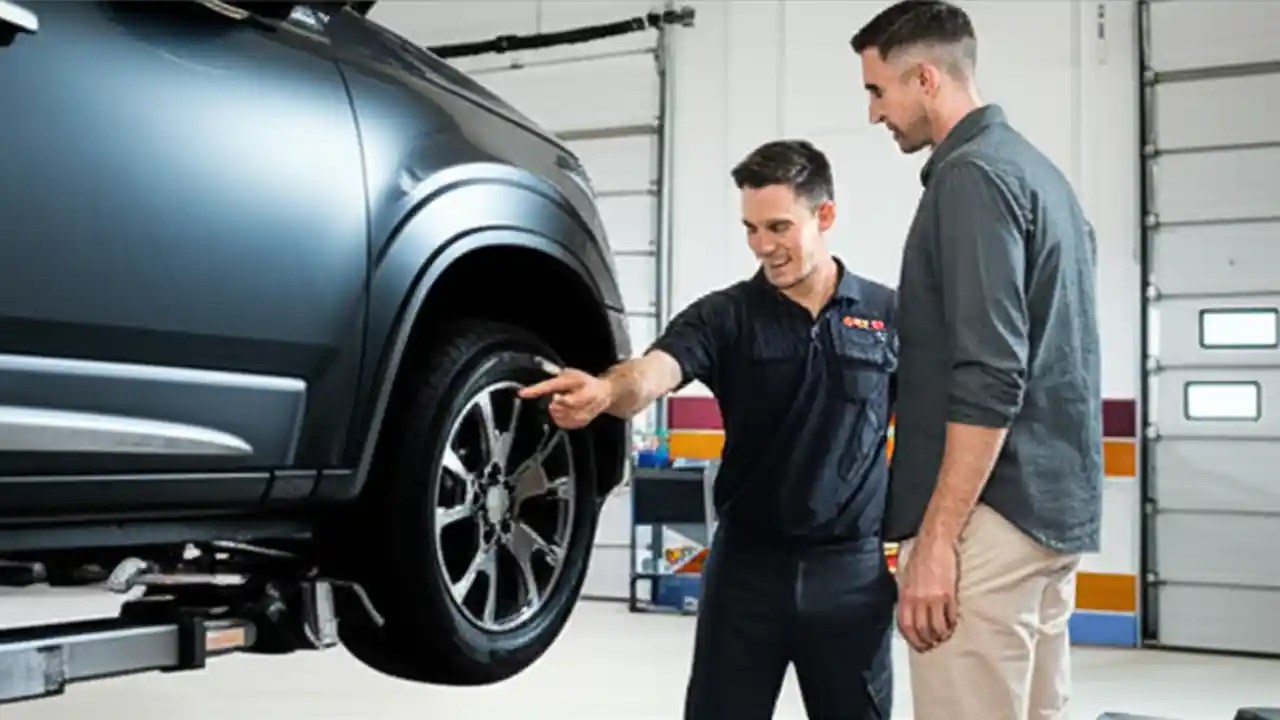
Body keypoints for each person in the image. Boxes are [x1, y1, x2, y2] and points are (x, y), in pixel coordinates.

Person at [519, 139, 899, 719]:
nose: (763, 246)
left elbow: (935, 428)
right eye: (750, 228)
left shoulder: (887, 315)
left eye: (778, 226)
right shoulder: (726, 315)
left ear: (825, 216)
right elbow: (654, 372)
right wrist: (605, 391)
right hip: (748, 571)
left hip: (851, 573)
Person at [849, 2, 1105, 719]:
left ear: (925, 78)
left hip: (988, 520)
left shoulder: (972, 179)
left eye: (878, 90)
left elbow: (992, 371)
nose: (874, 113)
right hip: (1049, 515)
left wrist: (935, 540)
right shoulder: (1042, 176)